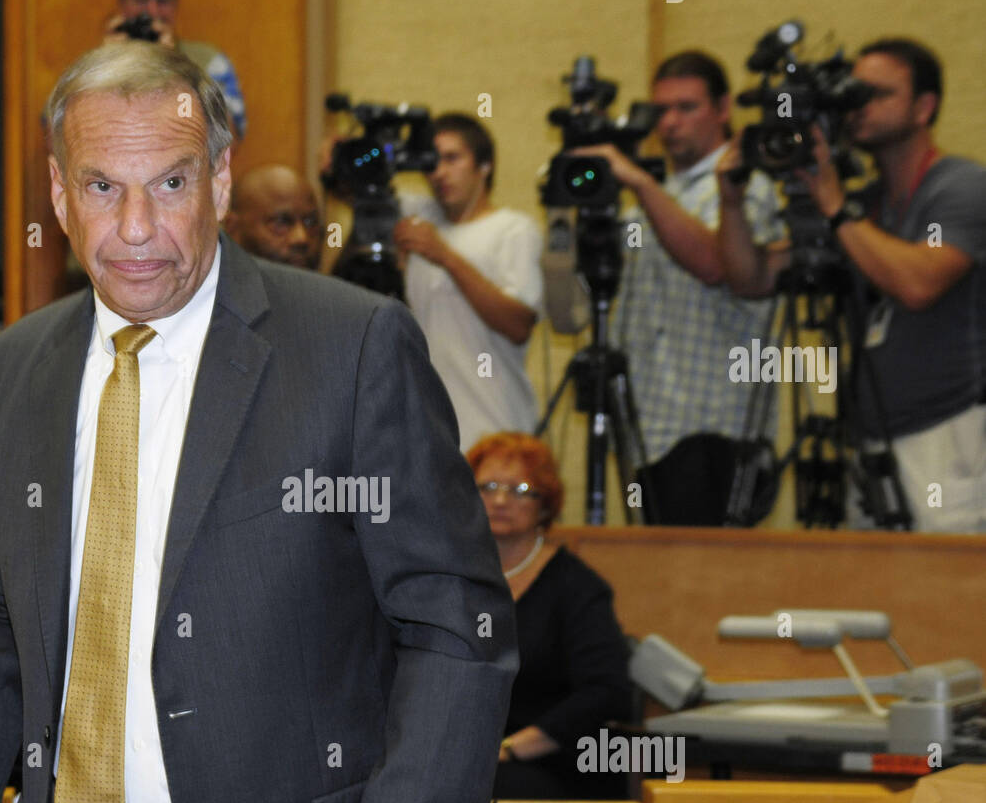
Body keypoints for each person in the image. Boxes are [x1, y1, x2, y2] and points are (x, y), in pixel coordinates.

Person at [0, 41, 517, 803]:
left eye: (170, 183)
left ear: (218, 176)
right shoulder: (15, 373)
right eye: (101, 186)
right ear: (57, 190)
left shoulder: (350, 347)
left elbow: (455, 618)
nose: (136, 230)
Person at [717, 37, 986, 532]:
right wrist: (731, 204)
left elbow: (919, 284)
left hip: (948, 431)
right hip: (869, 437)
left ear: (924, 107)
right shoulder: (866, 203)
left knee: (943, 594)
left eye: (877, 94)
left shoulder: (962, 186)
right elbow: (751, 278)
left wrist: (836, 207)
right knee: (870, 595)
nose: (858, 107)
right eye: (852, 95)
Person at [572, 51, 783, 525]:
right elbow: (579, 303)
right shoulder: (654, 198)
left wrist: (640, 184)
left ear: (724, 108)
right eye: (660, 110)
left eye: (686, 107)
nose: (669, 123)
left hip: (715, 431)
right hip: (650, 424)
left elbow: (713, 264)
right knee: (662, 581)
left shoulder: (747, 185)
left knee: (703, 582)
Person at [467, 433, 633, 799]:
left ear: (545, 505)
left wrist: (508, 750)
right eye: (488, 486)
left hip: (553, 759)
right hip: (464, 755)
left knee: (470, 794)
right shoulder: (447, 576)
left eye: (521, 489)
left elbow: (608, 692)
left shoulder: (576, 587)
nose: (499, 500)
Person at [392, 114, 543, 453]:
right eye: (432, 161)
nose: (439, 172)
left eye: (452, 158)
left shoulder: (514, 230)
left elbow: (518, 324)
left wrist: (445, 255)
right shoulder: (421, 216)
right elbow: (354, 186)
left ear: (485, 165)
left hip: (495, 431)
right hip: (430, 437)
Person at [105, 0, 247, 141]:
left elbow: (227, 142)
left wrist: (176, 69)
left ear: (175, 4)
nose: (151, 11)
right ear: (122, 1)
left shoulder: (210, 62)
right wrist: (105, 66)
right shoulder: (97, 68)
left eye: (162, 1)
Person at [224, 164, 323, 271]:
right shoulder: (212, 286)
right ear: (232, 228)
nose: (301, 238)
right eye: (281, 223)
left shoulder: (332, 286)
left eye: (310, 222)